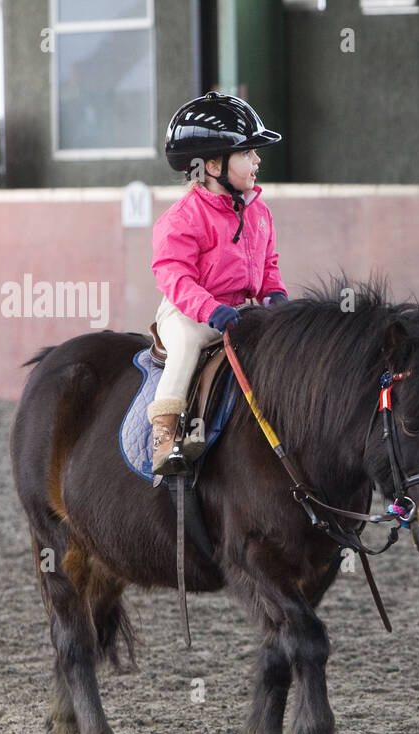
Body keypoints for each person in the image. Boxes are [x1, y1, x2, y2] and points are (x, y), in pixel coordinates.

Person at [149, 91, 288, 475]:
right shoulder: (182, 218)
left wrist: (274, 294)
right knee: (188, 345)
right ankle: (164, 434)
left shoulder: (259, 212)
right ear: (212, 164)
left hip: (240, 311)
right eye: (247, 153)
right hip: (188, 312)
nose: (257, 160)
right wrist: (210, 310)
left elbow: (269, 263)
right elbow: (173, 275)